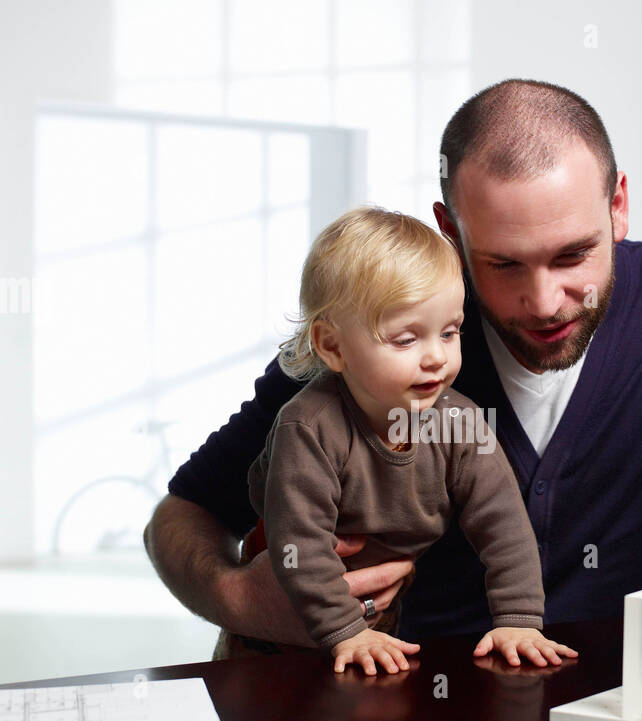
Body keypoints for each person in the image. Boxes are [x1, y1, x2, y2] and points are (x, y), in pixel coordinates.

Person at [144, 78, 642, 667]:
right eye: (504, 264)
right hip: (385, 708)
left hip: (596, 714)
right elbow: (185, 514)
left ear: (619, 207)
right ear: (449, 231)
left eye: (573, 255)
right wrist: (238, 599)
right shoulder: (374, 323)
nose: (544, 301)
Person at [242, 205, 575, 675]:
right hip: (277, 624)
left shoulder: (460, 424)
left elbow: (504, 526)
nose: (437, 357)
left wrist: (519, 619)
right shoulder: (309, 427)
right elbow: (301, 543)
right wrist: (345, 629)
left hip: (377, 619)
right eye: (405, 340)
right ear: (333, 346)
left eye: (450, 331)